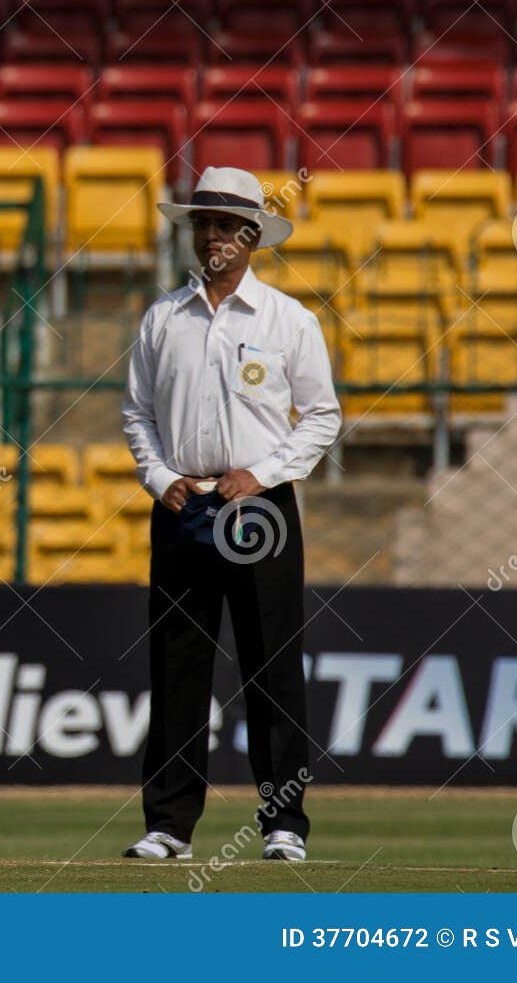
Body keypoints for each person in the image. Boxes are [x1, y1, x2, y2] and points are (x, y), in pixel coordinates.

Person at [120, 166, 342, 863]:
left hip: (259, 507)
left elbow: (322, 416)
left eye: (226, 225)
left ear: (252, 236)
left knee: (271, 661)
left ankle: (283, 822)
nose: (212, 236)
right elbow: (137, 416)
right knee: (178, 662)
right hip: (184, 503)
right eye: (203, 224)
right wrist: (160, 477)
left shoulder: (288, 319)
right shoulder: (162, 318)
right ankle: (169, 824)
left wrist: (263, 474)